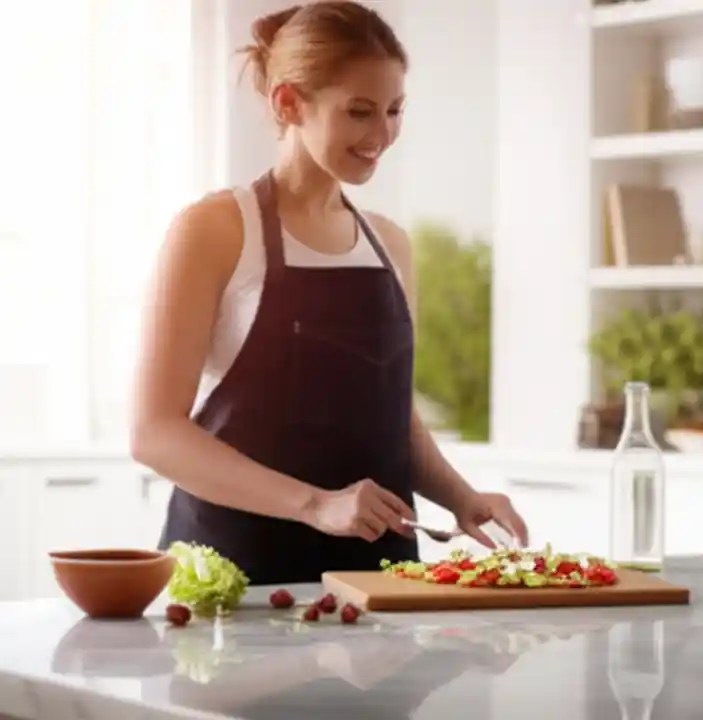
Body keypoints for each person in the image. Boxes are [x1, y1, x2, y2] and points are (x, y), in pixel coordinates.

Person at [130, 2, 527, 585]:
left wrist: (461, 498)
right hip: (237, 579)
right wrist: (318, 504)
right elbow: (154, 433)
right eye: (360, 112)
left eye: (395, 111)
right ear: (288, 103)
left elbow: (391, 418)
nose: (383, 135)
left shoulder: (390, 243)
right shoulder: (214, 229)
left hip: (375, 579)